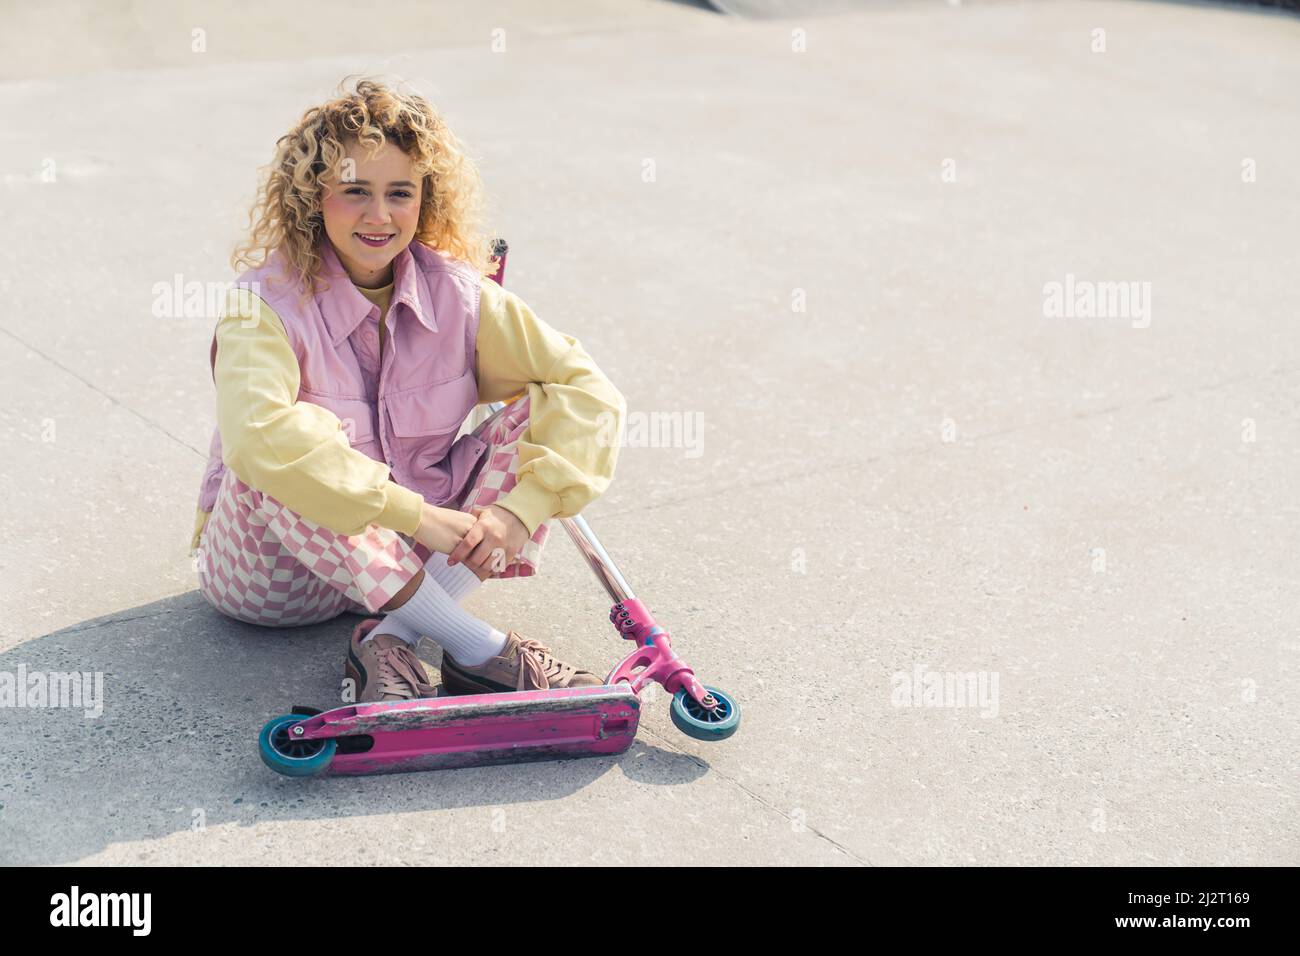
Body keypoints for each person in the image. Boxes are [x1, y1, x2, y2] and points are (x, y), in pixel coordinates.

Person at [189, 76, 625, 703]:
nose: (379, 215)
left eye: (400, 192)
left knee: (548, 405)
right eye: (354, 191)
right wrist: (414, 515)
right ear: (315, 197)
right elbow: (261, 442)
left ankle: (388, 637)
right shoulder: (262, 305)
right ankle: (480, 650)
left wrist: (514, 513)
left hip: (409, 557)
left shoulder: (456, 292)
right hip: (274, 578)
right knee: (284, 444)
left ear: (426, 200)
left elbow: (586, 389)